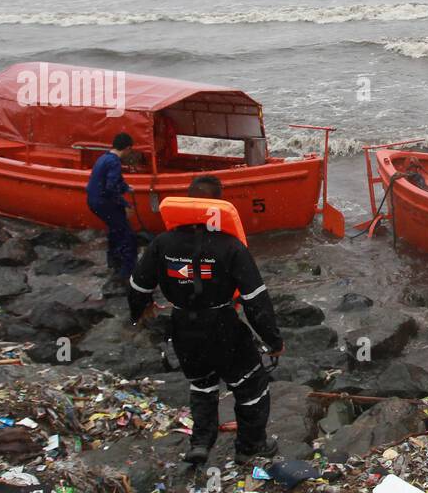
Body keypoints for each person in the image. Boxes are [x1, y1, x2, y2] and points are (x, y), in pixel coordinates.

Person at [127, 175, 284, 465]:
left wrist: (138, 312)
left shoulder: (163, 243)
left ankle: (201, 441)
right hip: (222, 324)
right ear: (218, 204)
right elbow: (254, 299)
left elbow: (138, 284)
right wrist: (273, 340)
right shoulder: (230, 246)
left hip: (182, 326)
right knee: (251, 385)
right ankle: (249, 447)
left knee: (202, 383)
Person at [87, 133, 137, 281]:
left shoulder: (104, 157)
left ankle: (114, 262)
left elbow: (111, 181)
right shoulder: (115, 162)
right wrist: (125, 204)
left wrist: (126, 188)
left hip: (94, 201)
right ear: (127, 148)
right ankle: (127, 271)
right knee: (127, 236)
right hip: (104, 202)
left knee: (115, 231)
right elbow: (110, 187)